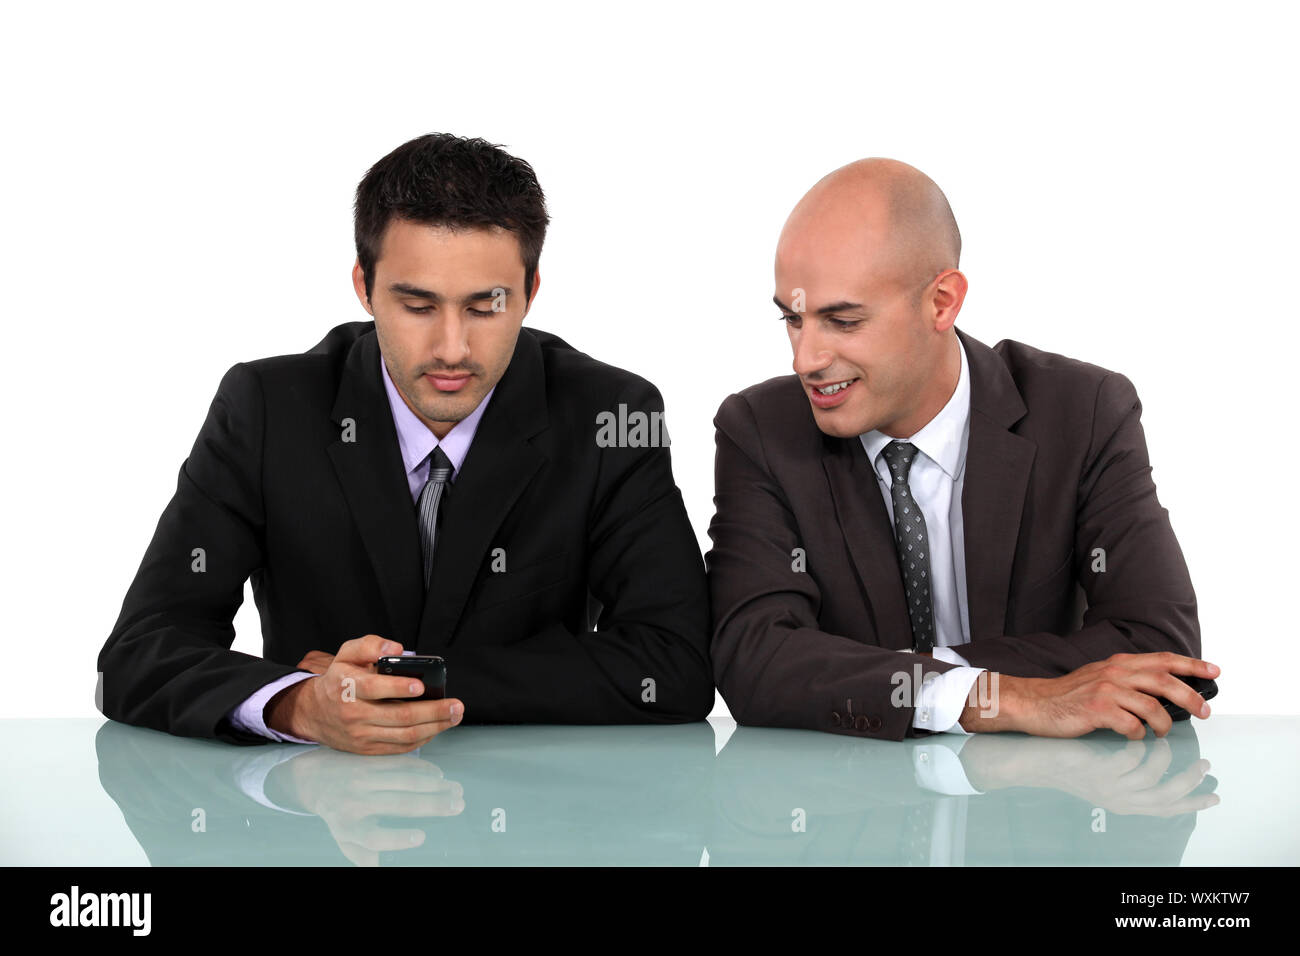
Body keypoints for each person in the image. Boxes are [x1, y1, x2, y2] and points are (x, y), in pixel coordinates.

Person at [99, 133, 713, 754]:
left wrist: (403, 683)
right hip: (323, 822)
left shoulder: (612, 414)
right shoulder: (266, 409)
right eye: (417, 305)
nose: (452, 348)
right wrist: (299, 705)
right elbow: (139, 652)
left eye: (485, 307)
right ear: (365, 288)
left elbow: (675, 667)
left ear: (529, 289)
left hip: (531, 825)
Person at [707, 157, 1217, 741]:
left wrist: (896, 680)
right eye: (793, 320)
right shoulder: (759, 430)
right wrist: (988, 697)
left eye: (842, 322)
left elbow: (1160, 648)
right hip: (854, 807)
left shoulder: (1085, 412)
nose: (805, 359)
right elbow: (753, 656)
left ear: (942, 302)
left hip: (1044, 806)